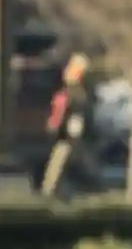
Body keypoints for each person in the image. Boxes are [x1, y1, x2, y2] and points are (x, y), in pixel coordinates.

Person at [40, 53, 101, 199]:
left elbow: (76, 115)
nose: (67, 71)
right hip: (68, 135)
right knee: (64, 165)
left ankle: (52, 194)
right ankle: (59, 194)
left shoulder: (76, 92)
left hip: (69, 136)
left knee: (61, 165)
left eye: (72, 68)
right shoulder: (70, 90)